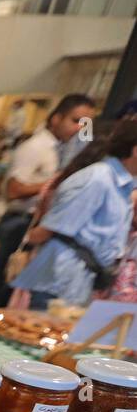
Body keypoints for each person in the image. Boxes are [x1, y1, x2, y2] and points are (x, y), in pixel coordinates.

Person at [0, 93, 96, 312]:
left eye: (86, 123)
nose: (80, 128)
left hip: (36, 223)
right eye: (76, 120)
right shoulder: (36, 146)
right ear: (56, 118)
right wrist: (55, 185)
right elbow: (13, 190)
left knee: (15, 288)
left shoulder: (64, 149)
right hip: (21, 222)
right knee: (3, 283)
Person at [9, 121, 137, 309]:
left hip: (80, 281)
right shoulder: (98, 178)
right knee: (42, 326)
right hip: (61, 281)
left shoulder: (121, 183)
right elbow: (50, 229)